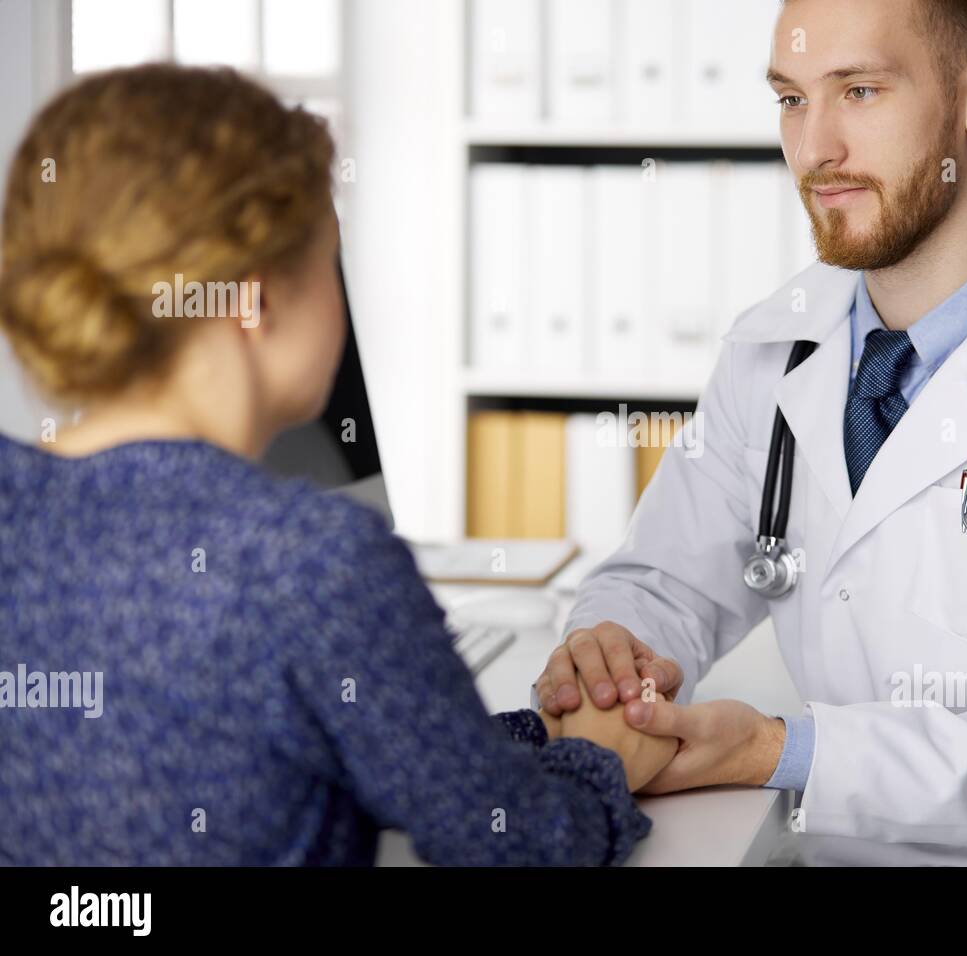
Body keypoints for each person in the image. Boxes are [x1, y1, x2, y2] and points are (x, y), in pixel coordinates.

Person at [534, 0, 967, 866]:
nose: (814, 148)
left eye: (858, 91)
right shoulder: (774, 351)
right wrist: (607, 654)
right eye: (791, 99)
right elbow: (665, 585)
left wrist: (775, 751)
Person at [0, 63, 673, 866]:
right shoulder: (313, 561)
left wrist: (527, 737)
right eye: (329, 258)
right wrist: (600, 760)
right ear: (256, 300)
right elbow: (521, 843)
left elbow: (335, 750)